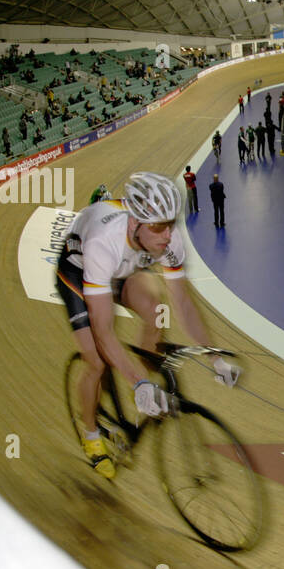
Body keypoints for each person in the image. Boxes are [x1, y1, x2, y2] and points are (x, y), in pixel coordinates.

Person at [54, 174, 240, 478]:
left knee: (157, 309)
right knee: (96, 361)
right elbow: (103, 331)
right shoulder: (104, 243)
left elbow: (183, 304)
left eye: (170, 223)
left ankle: (140, 391)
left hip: (123, 268)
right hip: (78, 272)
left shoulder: (166, 236)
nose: (167, 235)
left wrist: (214, 358)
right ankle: (91, 437)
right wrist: (139, 382)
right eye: (157, 226)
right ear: (134, 223)